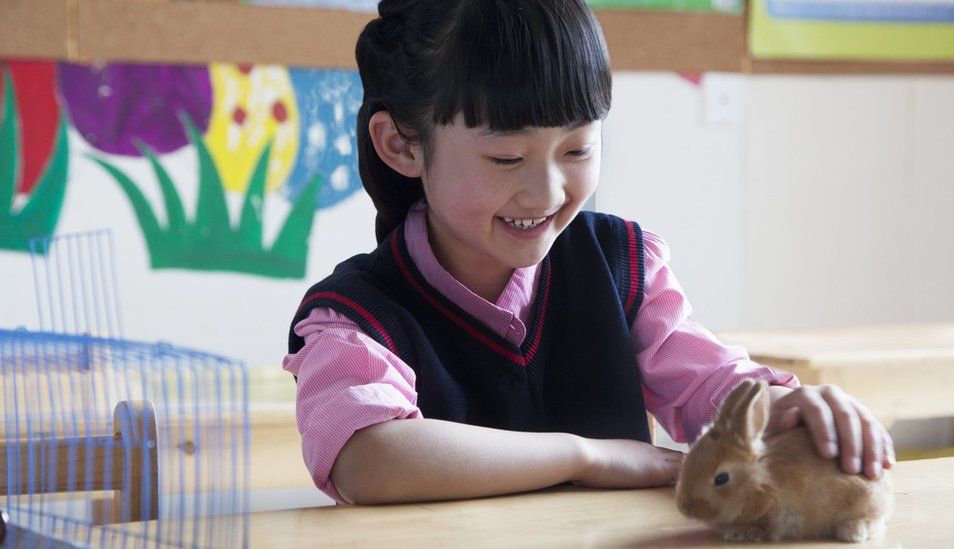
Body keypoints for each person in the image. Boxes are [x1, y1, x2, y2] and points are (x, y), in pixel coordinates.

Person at [283, 0, 894, 505]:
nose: (547, 192)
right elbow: (369, 458)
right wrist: (588, 456)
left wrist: (790, 407)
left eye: (578, 150)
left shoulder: (624, 264)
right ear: (402, 146)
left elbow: (712, 388)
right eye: (506, 158)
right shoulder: (352, 316)